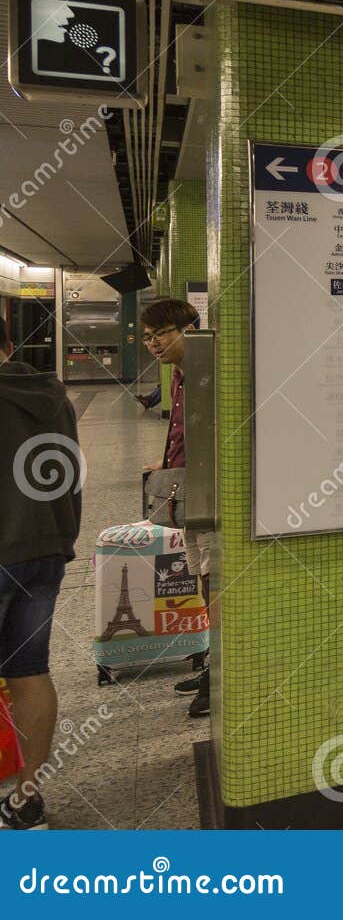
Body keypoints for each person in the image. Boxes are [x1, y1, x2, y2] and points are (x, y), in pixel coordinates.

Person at [0, 317, 83, 829]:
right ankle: (27, 798)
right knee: (29, 671)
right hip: (45, 550)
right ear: (8, 345)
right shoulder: (52, 395)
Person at [141, 298, 209, 717]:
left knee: (212, 579)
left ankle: (219, 674)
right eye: (148, 337)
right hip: (187, 488)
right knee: (201, 578)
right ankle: (211, 664)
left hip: (211, 494)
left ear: (191, 329)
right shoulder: (179, 378)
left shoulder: (206, 373)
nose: (154, 344)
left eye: (162, 334)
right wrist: (167, 463)